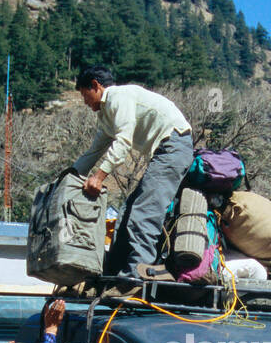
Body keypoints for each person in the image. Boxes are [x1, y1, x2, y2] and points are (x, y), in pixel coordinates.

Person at [73, 67, 193, 287]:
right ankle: (111, 276)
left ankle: (135, 278)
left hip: (174, 146)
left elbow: (124, 141)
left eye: (84, 94)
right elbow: (93, 152)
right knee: (126, 213)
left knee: (143, 213)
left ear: (95, 86)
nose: (84, 101)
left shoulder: (119, 97)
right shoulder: (106, 115)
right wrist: (69, 177)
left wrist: (99, 177)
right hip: (164, 151)